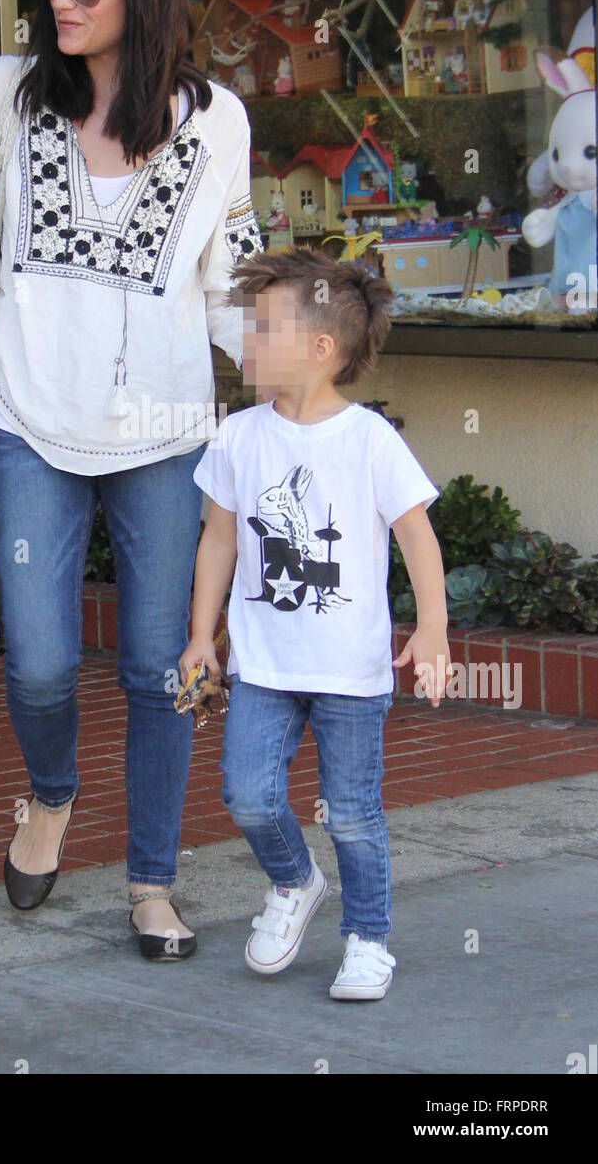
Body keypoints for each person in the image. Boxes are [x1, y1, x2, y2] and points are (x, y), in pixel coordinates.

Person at [0, 0, 264, 961]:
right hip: (24, 417)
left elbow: (232, 288)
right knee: (39, 664)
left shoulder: (218, 122)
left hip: (170, 435)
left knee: (157, 665)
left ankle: (152, 883)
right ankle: (51, 794)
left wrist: (302, 394)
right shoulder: (6, 95)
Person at [180, 244, 451, 997]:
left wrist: (430, 629)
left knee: (354, 815)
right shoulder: (238, 437)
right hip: (264, 665)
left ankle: (367, 939)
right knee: (246, 793)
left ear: (321, 349)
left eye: (264, 329)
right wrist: (202, 637)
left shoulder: (369, 440)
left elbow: (416, 536)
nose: (247, 344)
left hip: (349, 673)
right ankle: (294, 881)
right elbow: (219, 537)